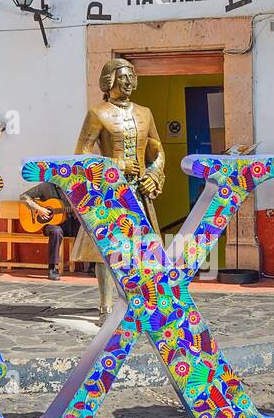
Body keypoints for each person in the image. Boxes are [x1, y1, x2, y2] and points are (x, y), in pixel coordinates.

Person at [71, 58, 166, 320]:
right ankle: (106, 305)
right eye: (123, 77)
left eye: (132, 77)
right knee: (106, 248)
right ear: (109, 80)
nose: (129, 82)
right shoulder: (97, 113)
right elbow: (82, 153)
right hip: (109, 191)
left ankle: (145, 298)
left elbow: (156, 148)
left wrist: (154, 173)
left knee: (143, 246)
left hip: (139, 190)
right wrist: (117, 164)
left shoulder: (145, 112)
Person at [19, 181, 79, 281]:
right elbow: (23, 197)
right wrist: (38, 209)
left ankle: (92, 266)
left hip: (69, 222)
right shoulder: (46, 186)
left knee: (87, 229)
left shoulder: (74, 187)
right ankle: (52, 268)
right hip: (50, 224)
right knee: (56, 231)